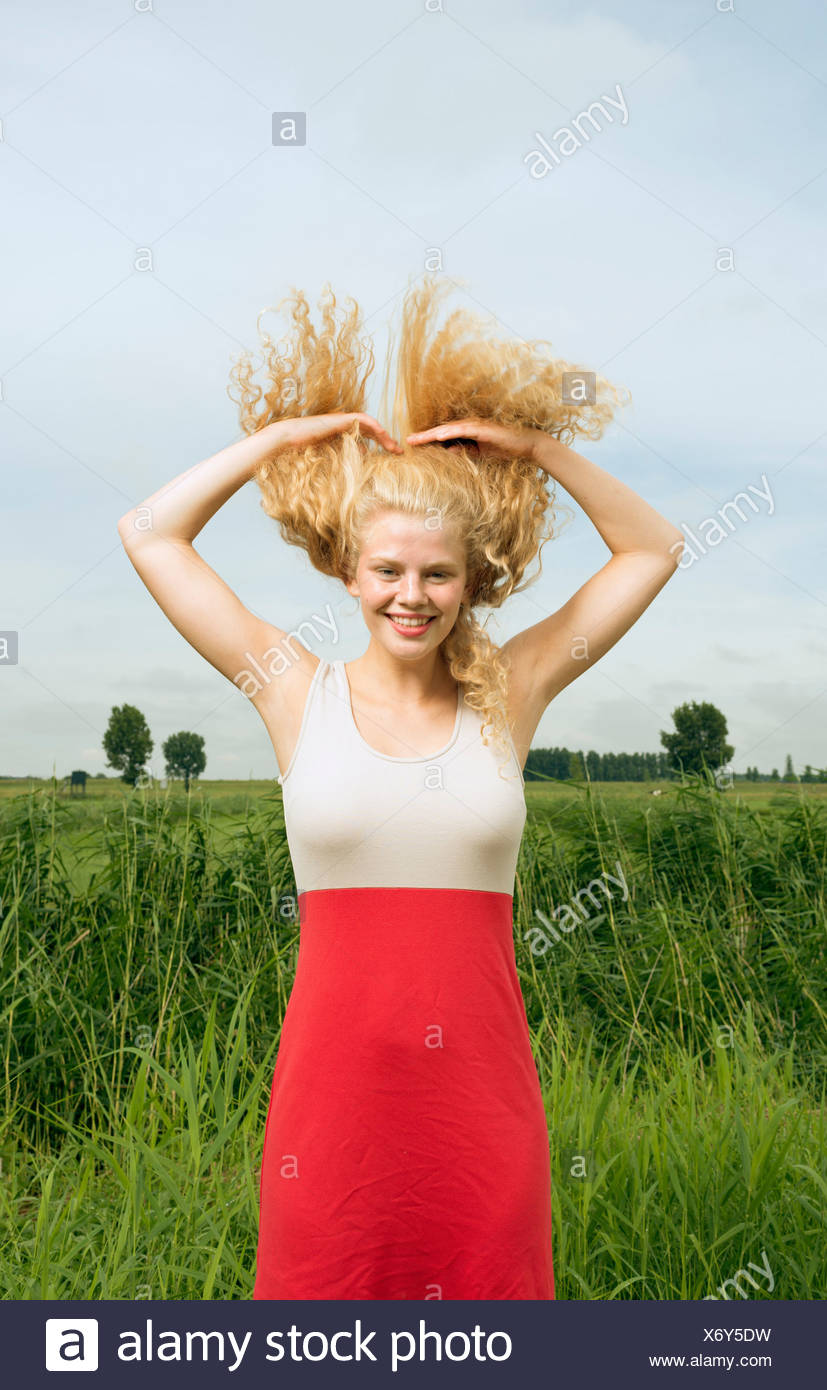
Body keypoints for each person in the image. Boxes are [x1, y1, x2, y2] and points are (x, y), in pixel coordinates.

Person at [117, 276, 684, 1299]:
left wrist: (535, 453)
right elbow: (150, 535)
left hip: (479, 1122)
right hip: (328, 1126)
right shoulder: (292, 691)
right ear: (346, 571)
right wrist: (288, 437)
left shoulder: (509, 692)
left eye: (436, 575)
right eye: (386, 571)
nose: (409, 597)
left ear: (471, 580)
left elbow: (652, 549)